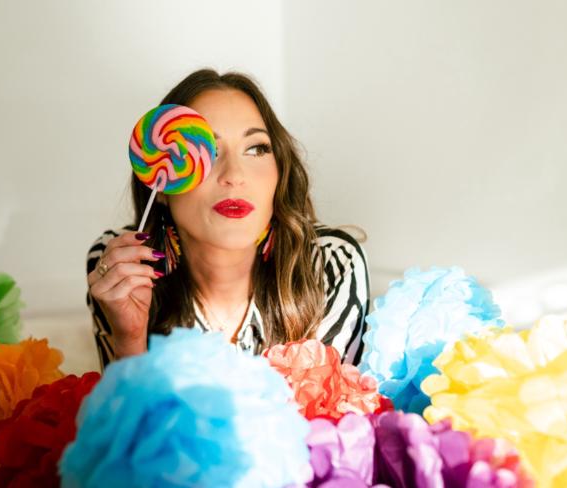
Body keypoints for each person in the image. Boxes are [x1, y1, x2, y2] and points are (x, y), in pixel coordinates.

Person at [86, 69, 370, 373]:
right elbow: (127, 405)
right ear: (162, 181)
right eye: (208, 152)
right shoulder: (119, 269)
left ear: (280, 170)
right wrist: (129, 338)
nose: (234, 175)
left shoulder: (330, 264)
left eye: (256, 148)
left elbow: (325, 404)